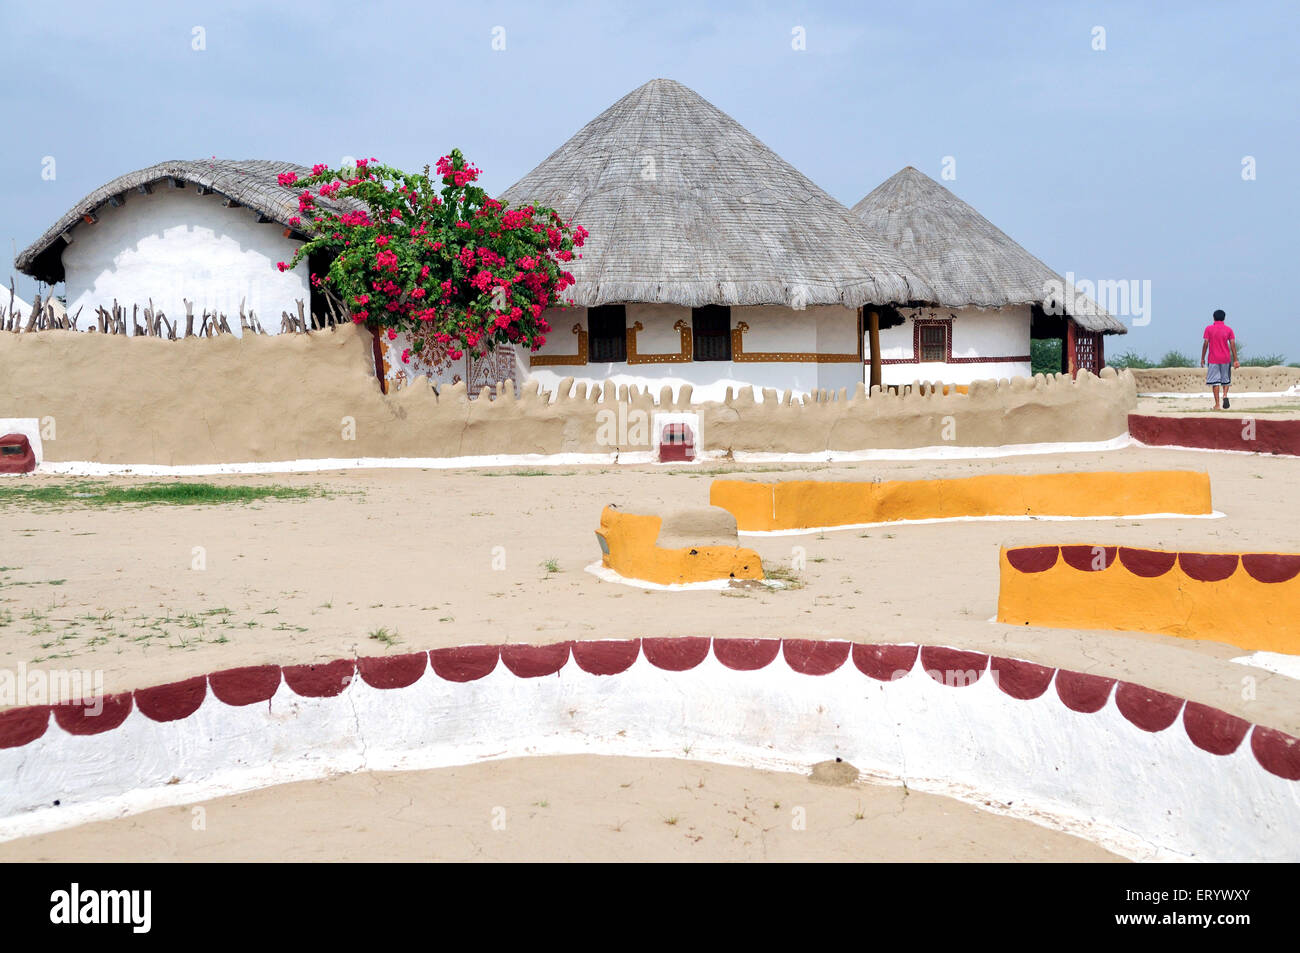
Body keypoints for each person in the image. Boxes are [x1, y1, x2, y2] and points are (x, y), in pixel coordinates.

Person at [1200, 309, 1240, 410]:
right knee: (1226, 380)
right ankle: (1225, 395)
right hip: (1226, 358)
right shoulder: (1229, 329)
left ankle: (1217, 405)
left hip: (1213, 358)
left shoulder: (1208, 329)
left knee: (1215, 382)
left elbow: (1205, 343)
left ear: (1213, 317)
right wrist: (1235, 359)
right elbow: (1232, 344)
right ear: (1224, 318)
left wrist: (1202, 358)